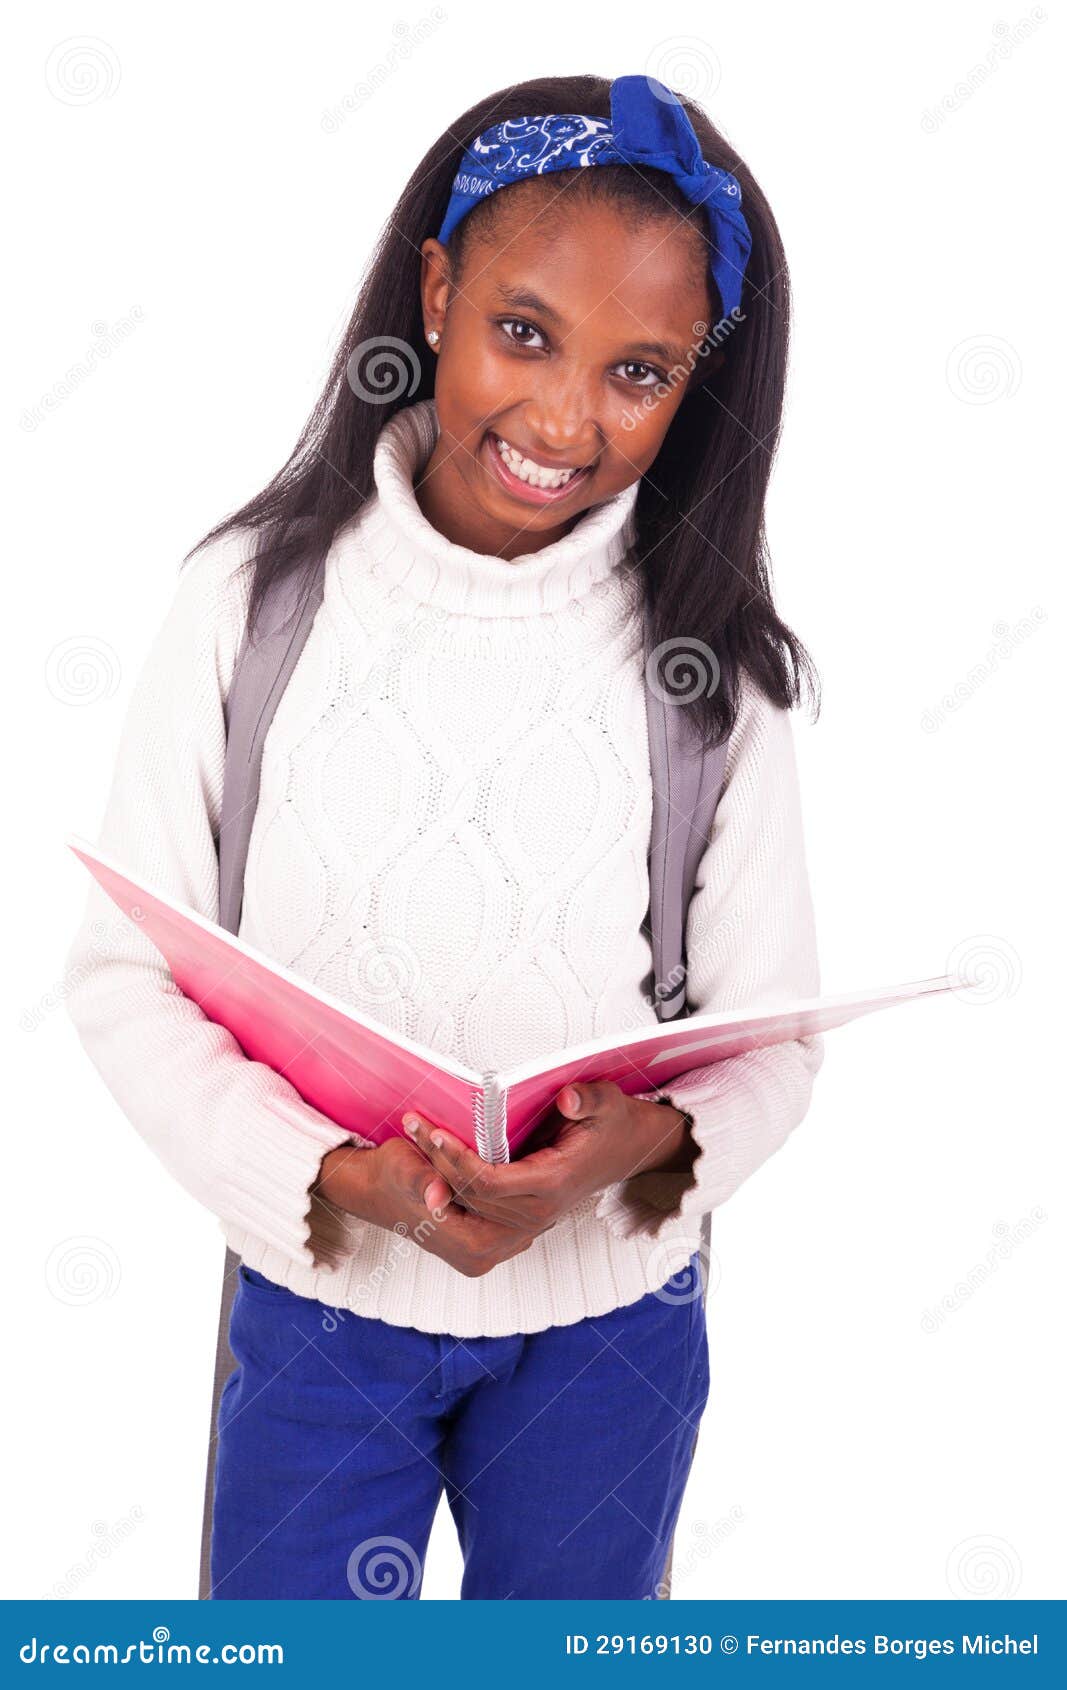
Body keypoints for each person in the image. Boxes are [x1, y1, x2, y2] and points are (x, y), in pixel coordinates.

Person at [64, 72, 824, 1600]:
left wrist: (642, 1150)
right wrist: (328, 1168)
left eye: (640, 370)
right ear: (435, 286)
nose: (561, 416)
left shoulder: (713, 674)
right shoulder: (253, 604)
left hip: (613, 1327)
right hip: (320, 1303)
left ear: (696, 387)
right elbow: (120, 975)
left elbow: (776, 1046)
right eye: (524, 332)